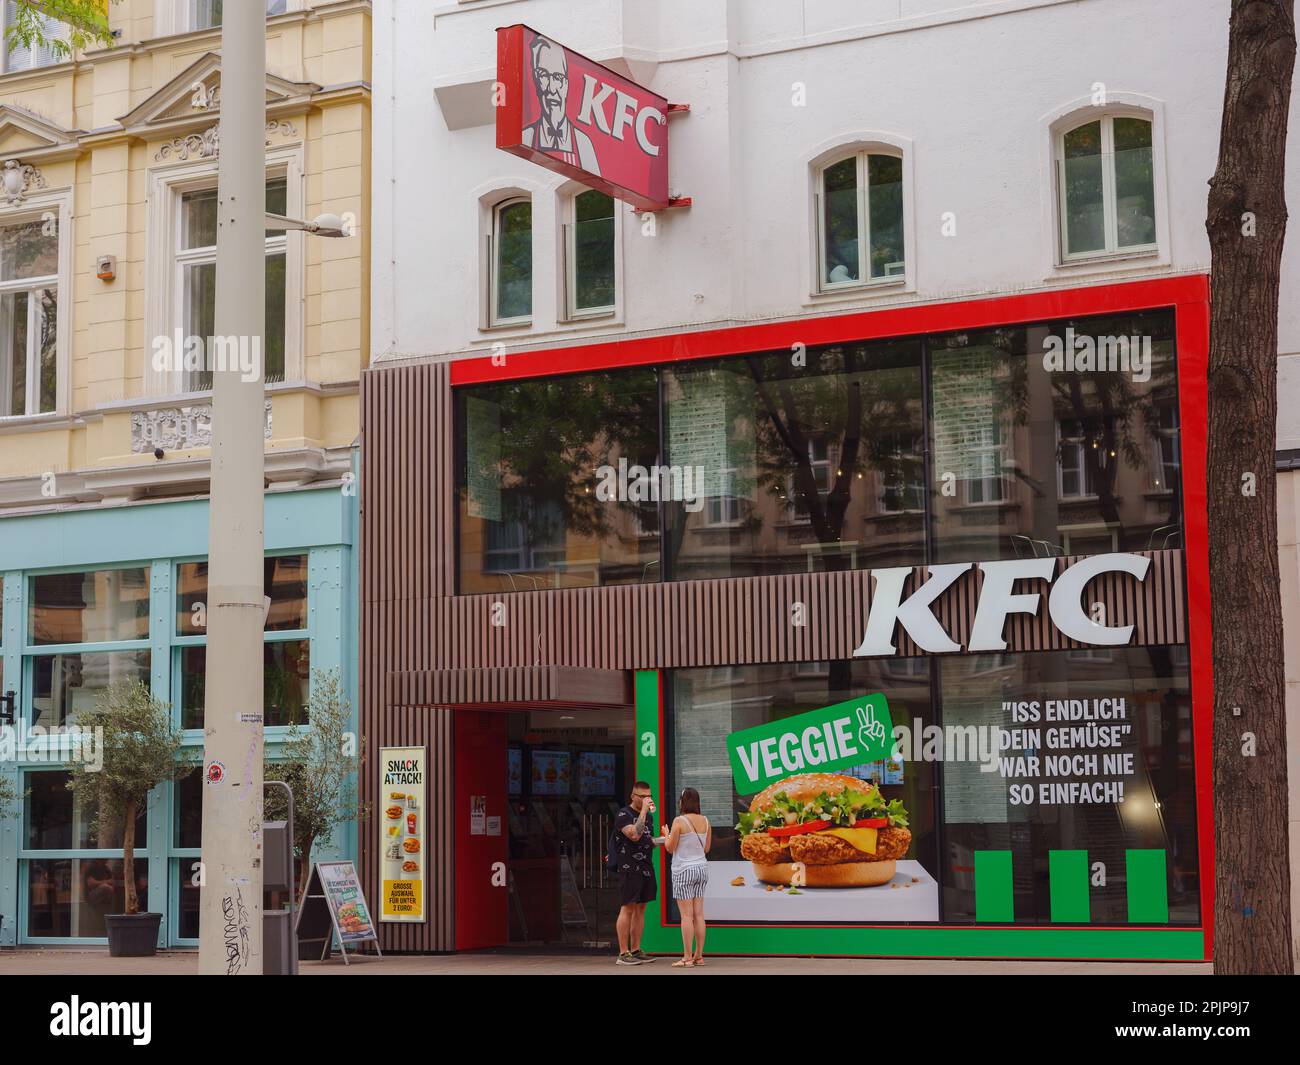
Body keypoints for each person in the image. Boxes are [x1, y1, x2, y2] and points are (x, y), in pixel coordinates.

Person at [521, 32, 601, 175]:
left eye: (557, 77)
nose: (552, 88)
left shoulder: (583, 144)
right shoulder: (526, 137)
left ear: (566, 84)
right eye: (544, 75)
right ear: (535, 80)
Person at [663, 787, 711, 967]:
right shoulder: (706, 821)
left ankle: (687, 957)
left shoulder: (679, 821)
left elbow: (669, 847)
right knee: (699, 914)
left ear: (682, 802)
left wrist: (666, 834)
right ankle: (699, 956)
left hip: (683, 870)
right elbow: (706, 849)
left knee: (686, 916)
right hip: (701, 869)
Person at [614, 780, 661, 965]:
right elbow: (634, 834)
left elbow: (646, 840)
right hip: (629, 867)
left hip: (646, 865)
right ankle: (623, 953)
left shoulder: (649, 817)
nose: (647, 800)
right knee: (628, 906)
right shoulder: (624, 814)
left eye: (649, 796)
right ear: (633, 796)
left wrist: (664, 839)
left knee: (641, 908)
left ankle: (636, 949)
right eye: (643, 797)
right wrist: (643, 811)